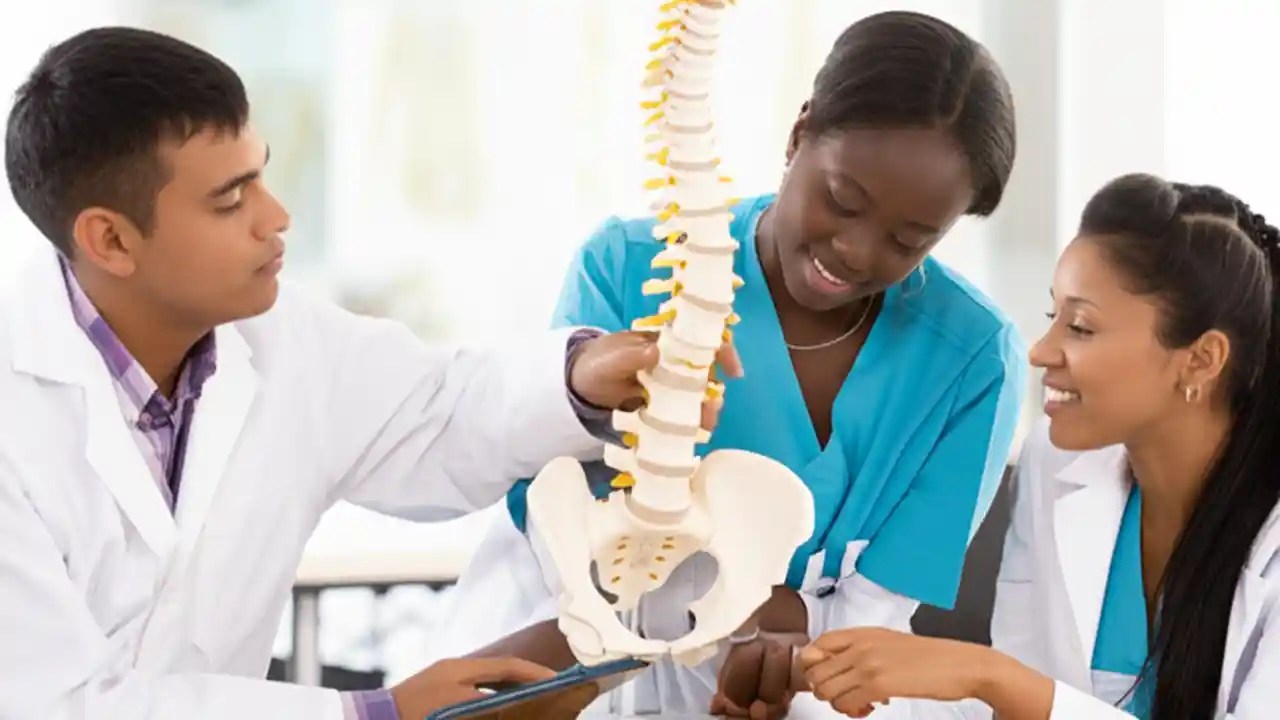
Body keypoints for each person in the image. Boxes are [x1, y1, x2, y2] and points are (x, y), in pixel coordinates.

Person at [0, 27, 734, 720]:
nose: (276, 216)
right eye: (231, 200)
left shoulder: (284, 342)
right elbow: (54, 704)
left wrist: (579, 378)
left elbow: (441, 416)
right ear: (110, 239)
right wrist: (373, 711)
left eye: (261, 176)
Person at [429, 11, 1026, 718]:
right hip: (560, 657)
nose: (858, 253)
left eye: (910, 239)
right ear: (799, 133)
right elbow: (556, 512)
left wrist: (777, 653)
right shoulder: (625, 266)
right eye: (842, 201)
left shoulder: (972, 360)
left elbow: (875, 621)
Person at [798, 174, 1280, 719]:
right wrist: (809, 692)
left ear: (1200, 359)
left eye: (1080, 327)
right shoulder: (1057, 462)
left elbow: (1019, 690)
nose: (1040, 352)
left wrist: (987, 676)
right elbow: (1016, 706)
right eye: (1054, 318)